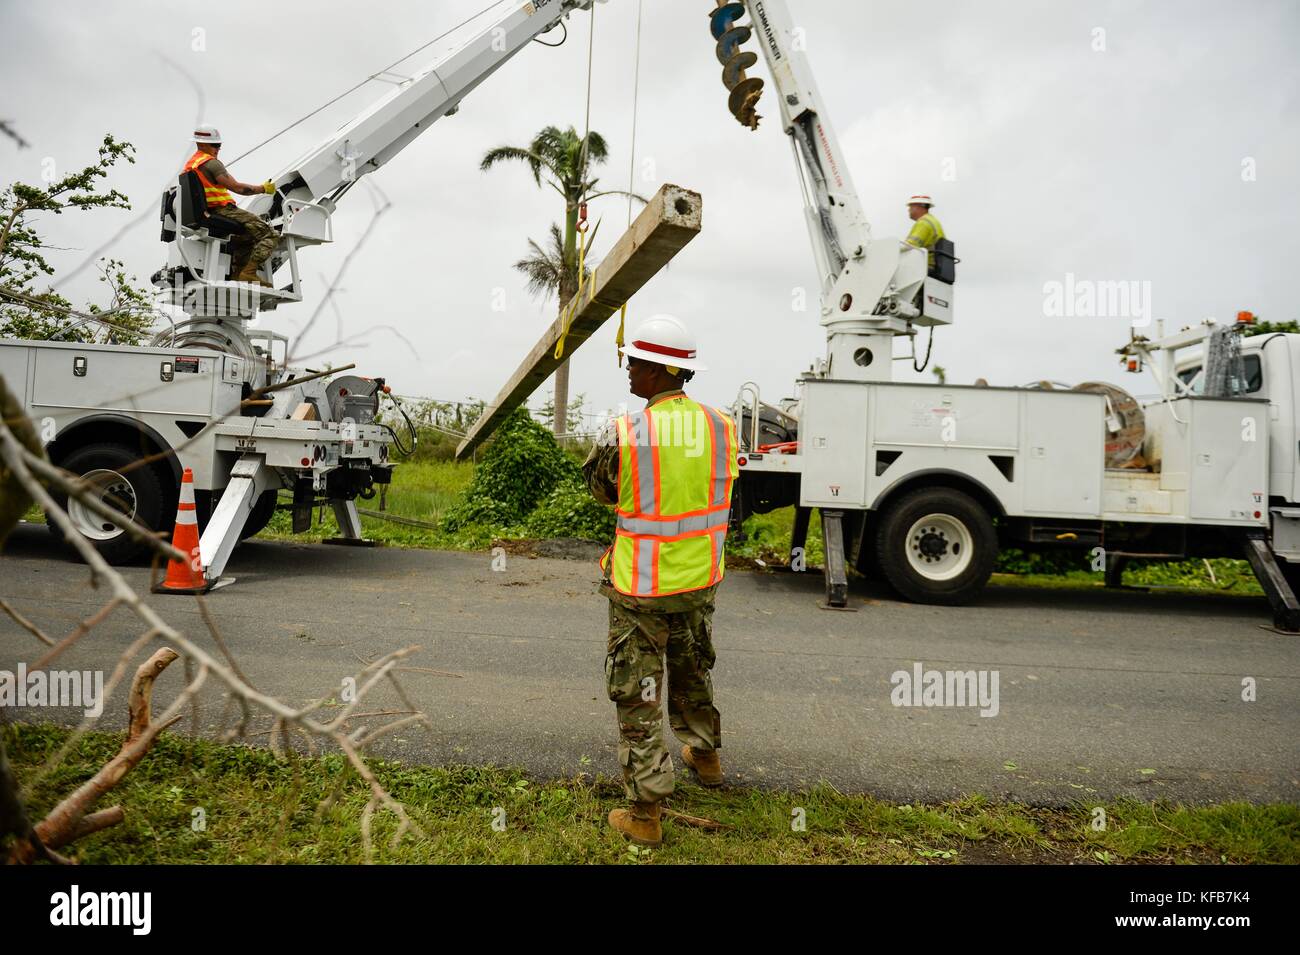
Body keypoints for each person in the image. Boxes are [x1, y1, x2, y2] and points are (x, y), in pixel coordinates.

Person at [582, 314, 739, 847]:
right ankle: (706, 756)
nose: (628, 372)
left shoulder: (628, 432)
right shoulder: (722, 426)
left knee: (638, 691)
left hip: (641, 588)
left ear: (658, 370)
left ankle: (645, 814)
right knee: (693, 667)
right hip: (700, 579)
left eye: (635, 364)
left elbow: (603, 492)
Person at [182, 125, 278, 287]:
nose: (218, 149)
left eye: (219, 145)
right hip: (222, 209)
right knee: (270, 233)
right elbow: (239, 188)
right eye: (215, 145)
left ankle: (238, 275)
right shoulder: (211, 164)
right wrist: (263, 189)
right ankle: (248, 273)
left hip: (210, 211)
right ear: (202, 144)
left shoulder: (192, 164)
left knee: (247, 235)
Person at [904, 194, 944, 271]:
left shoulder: (924, 222)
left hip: (927, 265)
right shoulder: (932, 220)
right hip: (935, 265)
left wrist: (892, 251)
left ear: (919, 206)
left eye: (911, 207)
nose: (908, 210)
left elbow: (909, 246)